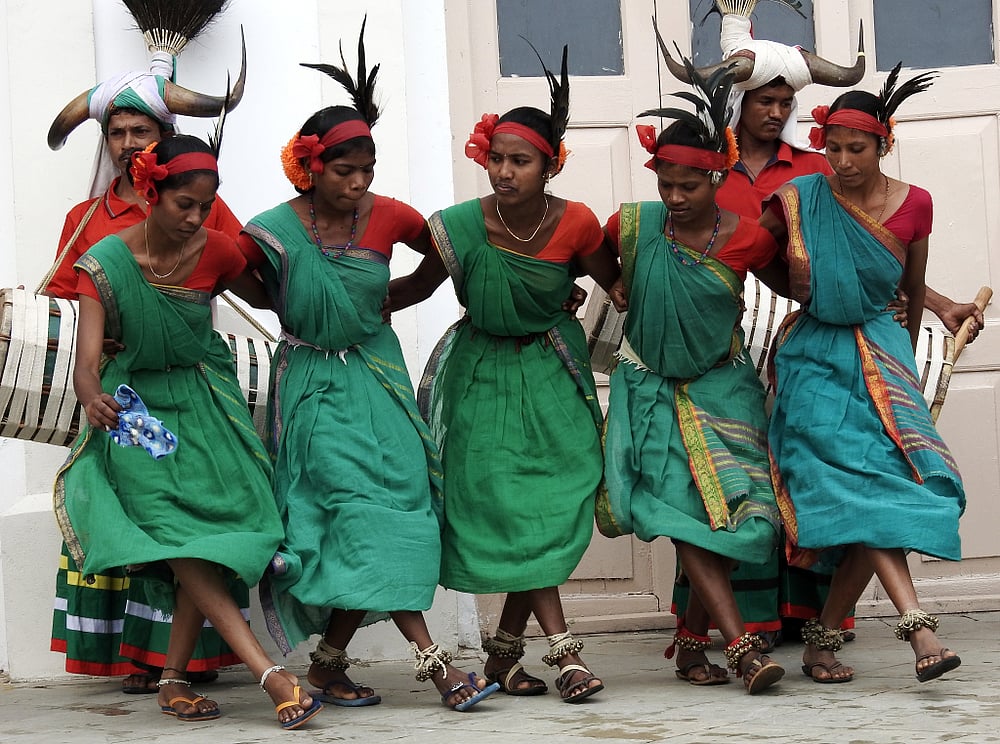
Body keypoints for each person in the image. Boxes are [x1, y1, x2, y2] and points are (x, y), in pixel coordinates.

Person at [661, 7, 983, 650]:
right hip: (727, 343)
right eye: (765, 100)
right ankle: (722, 629)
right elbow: (728, 253)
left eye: (787, 101)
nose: (776, 111)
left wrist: (939, 306)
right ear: (741, 101)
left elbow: (882, 262)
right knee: (737, 479)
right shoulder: (705, 171)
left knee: (834, 474)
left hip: (828, 342)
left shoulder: (814, 174)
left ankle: (815, 623)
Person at [241, 25, 499, 713]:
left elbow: (446, 248)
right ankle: (437, 664)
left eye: (367, 170)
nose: (357, 185)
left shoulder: (389, 216)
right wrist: (284, 307)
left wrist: (406, 295)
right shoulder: (270, 229)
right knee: (351, 510)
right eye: (342, 171)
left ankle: (327, 664)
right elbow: (230, 275)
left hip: (378, 377)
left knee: (404, 504)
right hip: (313, 387)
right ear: (309, 167)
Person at [55, 134, 323, 729]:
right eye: (185, 205)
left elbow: (283, 296)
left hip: (207, 406)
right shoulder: (103, 263)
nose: (198, 218)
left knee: (214, 534)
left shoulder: (219, 253)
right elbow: (87, 361)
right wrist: (93, 398)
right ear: (152, 192)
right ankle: (269, 673)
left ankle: (173, 680)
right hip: (136, 417)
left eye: (207, 205)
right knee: (180, 535)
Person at [390, 46, 619, 703]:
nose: (504, 172)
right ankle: (566, 654)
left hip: (553, 372)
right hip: (481, 379)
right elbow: (411, 288)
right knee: (513, 512)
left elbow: (620, 291)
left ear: (550, 165)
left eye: (520, 161)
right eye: (497, 158)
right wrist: (350, 305)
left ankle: (502, 658)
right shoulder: (460, 227)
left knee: (551, 504)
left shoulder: (575, 223)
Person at [43, 42, 248, 693]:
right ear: (104, 141)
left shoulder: (200, 204)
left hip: (189, 388)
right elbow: (65, 303)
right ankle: (138, 659)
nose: (129, 142)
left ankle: (190, 663)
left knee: (193, 513)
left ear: (162, 141)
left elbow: (247, 266)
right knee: (126, 514)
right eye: (117, 131)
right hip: (119, 393)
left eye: (142, 131)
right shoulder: (86, 220)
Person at [760, 66, 965, 684]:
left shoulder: (916, 203)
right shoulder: (801, 199)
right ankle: (919, 630)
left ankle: (821, 643)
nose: (842, 161)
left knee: (888, 489)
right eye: (833, 148)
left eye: (857, 148)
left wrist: (923, 332)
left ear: (884, 143)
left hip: (882, 355)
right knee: (863, 489)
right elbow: (746, 253)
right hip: (814, 359)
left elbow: (907, 284)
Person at [596, 59, 785, 695]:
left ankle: (687, 642)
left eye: (689, 187)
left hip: (723, 391)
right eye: (666, 185)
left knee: (743, 519)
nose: (674, 199)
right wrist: (615, 282)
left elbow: (802, 288)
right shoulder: (634, 227)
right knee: (682, 517)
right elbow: (593, 259)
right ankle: (742, 647)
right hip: (651, 394)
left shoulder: (750, 239)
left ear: (717, 178)